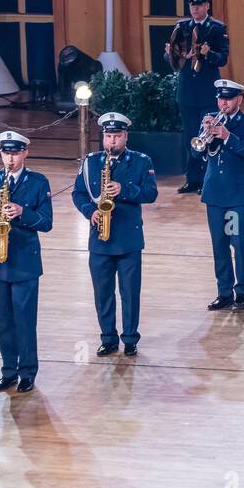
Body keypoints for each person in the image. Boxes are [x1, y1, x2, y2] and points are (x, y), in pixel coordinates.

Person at [72, 112, 159, 357]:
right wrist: (90, 212)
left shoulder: (141, 161)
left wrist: (124, 189)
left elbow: (151, 194)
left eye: (116, 136)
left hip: (128, 239)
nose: (111, 141)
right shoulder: (91, 162)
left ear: (125, 136)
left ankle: (130, 338)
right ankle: (108, 337)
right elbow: (78, 193)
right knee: (103, 292)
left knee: (130, 292)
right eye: (108, 136)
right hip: (99, 239)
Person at [0, 132, 53, 393]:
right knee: (3, 322)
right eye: (6, 153)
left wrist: (23, 212)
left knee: (25, 320)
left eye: (15, 153)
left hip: (25, 263)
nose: (10, 158)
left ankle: (27, 371)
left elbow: (46, 222)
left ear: (25, 153)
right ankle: (9, 370)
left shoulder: (38, 182)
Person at [202, 80, 244, 311]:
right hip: (214, 193)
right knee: (219, 244)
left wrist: (227, 136)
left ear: (239, 99)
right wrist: (207, 134)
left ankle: (243, 292)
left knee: (239, 242)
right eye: (220, 98)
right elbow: (200, 153)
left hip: (237, 195)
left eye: (228, 98)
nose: (223, 103)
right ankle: (224, 292)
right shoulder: (209, 119)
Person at [171, 0, 230, 195]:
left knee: (207, 135)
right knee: (190, 136)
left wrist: (209, 53)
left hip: (207, 90)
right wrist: (171, 53)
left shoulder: (216, 28)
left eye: (199, 4)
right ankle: (192, 179)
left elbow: (223, 58)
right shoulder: (181, 27)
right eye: (191, 5)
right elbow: (172, 59)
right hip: (187, 90)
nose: (194, 8)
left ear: (207, 6)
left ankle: (207, 179)